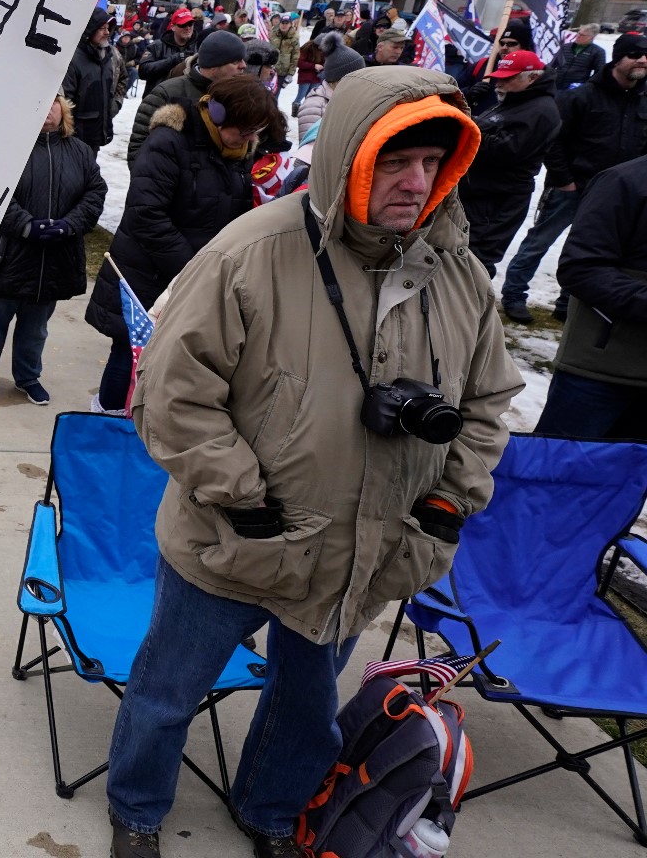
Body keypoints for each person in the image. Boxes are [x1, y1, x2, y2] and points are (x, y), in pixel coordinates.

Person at [106, 67, 521, 858]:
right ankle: (136, 809)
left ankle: (268, 812)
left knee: (305, 706)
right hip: (237, 539)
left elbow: (488, 404)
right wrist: (239, 493)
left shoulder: (461, 277)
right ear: (348, 158)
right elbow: (170, 391)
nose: (415, 181)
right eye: (396, 162)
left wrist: (445, 504)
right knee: (166, 694)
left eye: (432, 163)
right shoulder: (250, 251)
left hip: (365, 550)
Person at [87, 75, 278, 412]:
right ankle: (109, 420)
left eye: (255, 131)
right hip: (150, 273)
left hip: (199, 276)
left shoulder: (238, 149)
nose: (250, 139)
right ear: (217, 114)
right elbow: (146, 212)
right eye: (244, 130)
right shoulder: (168, 142)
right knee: (128, 354)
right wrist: (192, 269)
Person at [0, 94, 106, 407]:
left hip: (53, 261)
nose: (47, 109)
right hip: (7, 257)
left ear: (64, 108)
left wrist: (69, 225)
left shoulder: (81, 152)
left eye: (53, 101)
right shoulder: (7, 151)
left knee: (35, 330)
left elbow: (95, 193)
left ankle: (28, 377)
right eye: (39, 100)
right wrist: (26, 225)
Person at [502, 32, 647, 323]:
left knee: (598, 253)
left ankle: (569, 303)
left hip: (619, 197)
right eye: (635, 55)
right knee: (539, 242)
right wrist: (564, 179)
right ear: (619, 58)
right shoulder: (582, 96)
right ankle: (514, 295)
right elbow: (554, 141)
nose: (642, 60)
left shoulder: (643, 100)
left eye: (646, 56)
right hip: (574, 186)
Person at [536, 154, 647, 439]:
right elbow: (581, 269)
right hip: (602, 372)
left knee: (634, 481)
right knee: (559, 473)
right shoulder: (624, 181)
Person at [457, 49, 559, 277]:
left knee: (475, 260)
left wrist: (469, 128)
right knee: (460, 255)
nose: (499, 84)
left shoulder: (540, 110)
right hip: (479, 195)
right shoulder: (516, 101)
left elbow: (507, 152)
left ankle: (469, 309)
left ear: (532, 77)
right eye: (498, 78)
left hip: (497, 201)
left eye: (507, 78)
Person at [130, 29, 248, 157]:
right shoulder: (166, 93)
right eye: (235, 61)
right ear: (214, 64)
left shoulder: (241, 95)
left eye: (242, 59)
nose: (244, 65)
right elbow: (138, 149)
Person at [64, 7, 120, 150]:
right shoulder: (73, 59)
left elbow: (114, 85)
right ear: (90, 30)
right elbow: (66, 101)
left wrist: (114, 106)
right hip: (75, 138)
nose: (107, 32)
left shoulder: (107, 56)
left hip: (95, 135)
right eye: (102, 28)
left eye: (108, 28)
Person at [296, 34, 365, 146]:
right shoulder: (315, 106)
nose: (360, 82)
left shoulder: (354, 101)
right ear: (340, 78)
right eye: (356, 77)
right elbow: (310, 151)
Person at [136, 7, 198, 96]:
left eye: (190, 24)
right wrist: (174, 59)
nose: (188, 28)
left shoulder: (199, 46)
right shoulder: (156, 46)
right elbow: (143, 71)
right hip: (158, 100)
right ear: (173, 27)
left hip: (186, 102)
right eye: (183, 24)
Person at [554, 23, 606, 89]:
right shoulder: (565, 47)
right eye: (578, 33)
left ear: (591, 37)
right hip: (555, 86)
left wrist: (586, 85)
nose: (578, 36)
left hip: (575, 91)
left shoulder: (598, 52)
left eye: (582, 35)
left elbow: (599, 73)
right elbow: (552, 64)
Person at [271, 12, 300, 95]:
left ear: (290, 24)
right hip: (270, 69)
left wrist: (291, 73)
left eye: (286, 23)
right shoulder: (273, 34)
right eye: (282, 23)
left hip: (283, 71)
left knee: (275, 94)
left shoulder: (294, 38)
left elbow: (295, 56)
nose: (284, 25)